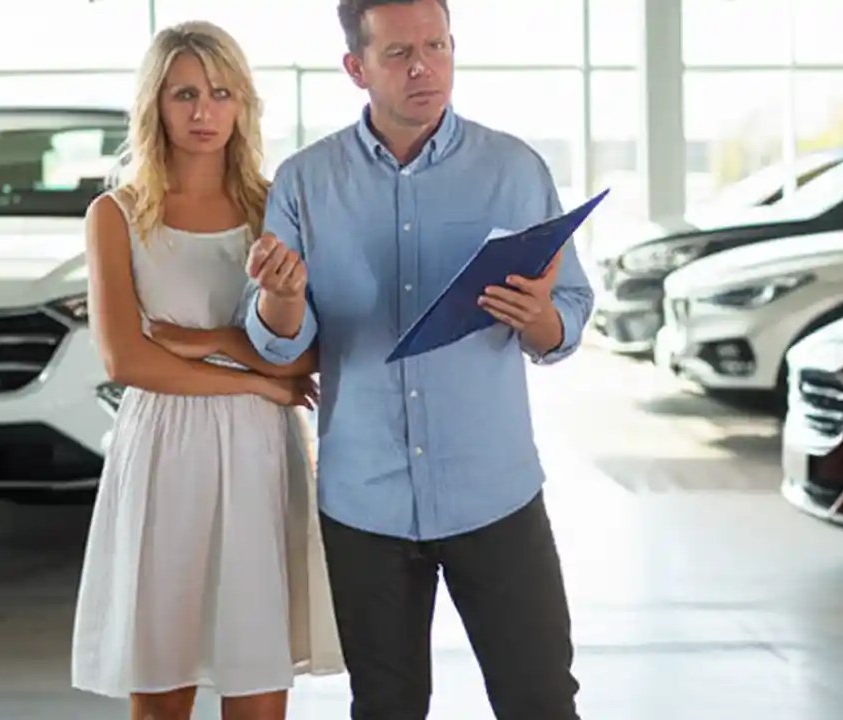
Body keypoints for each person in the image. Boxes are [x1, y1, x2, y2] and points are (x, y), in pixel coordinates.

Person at [241, 1, 594, 718]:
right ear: (355, 67)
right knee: (385, 705)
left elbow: (571, 316)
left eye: (436, 45)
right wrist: (281, 298)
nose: (422, 67)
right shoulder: (305, 182)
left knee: (541, 700)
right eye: (399, 52)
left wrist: (541, 320)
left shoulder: (516, 168)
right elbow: (279, 340)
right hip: (364, 497)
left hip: (494, 492)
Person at [70, 20, 343, 720]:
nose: (203, 112)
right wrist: (254, 380)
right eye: (184, 94)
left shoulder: (274, 205)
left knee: (257, 688)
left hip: (259, 456)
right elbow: (127, 358)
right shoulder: (117, 214)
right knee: (161, 691)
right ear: (153, 105)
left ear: (242, 104)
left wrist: (206, 341)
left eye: (221, 93)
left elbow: (310, 352)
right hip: (163, 454)